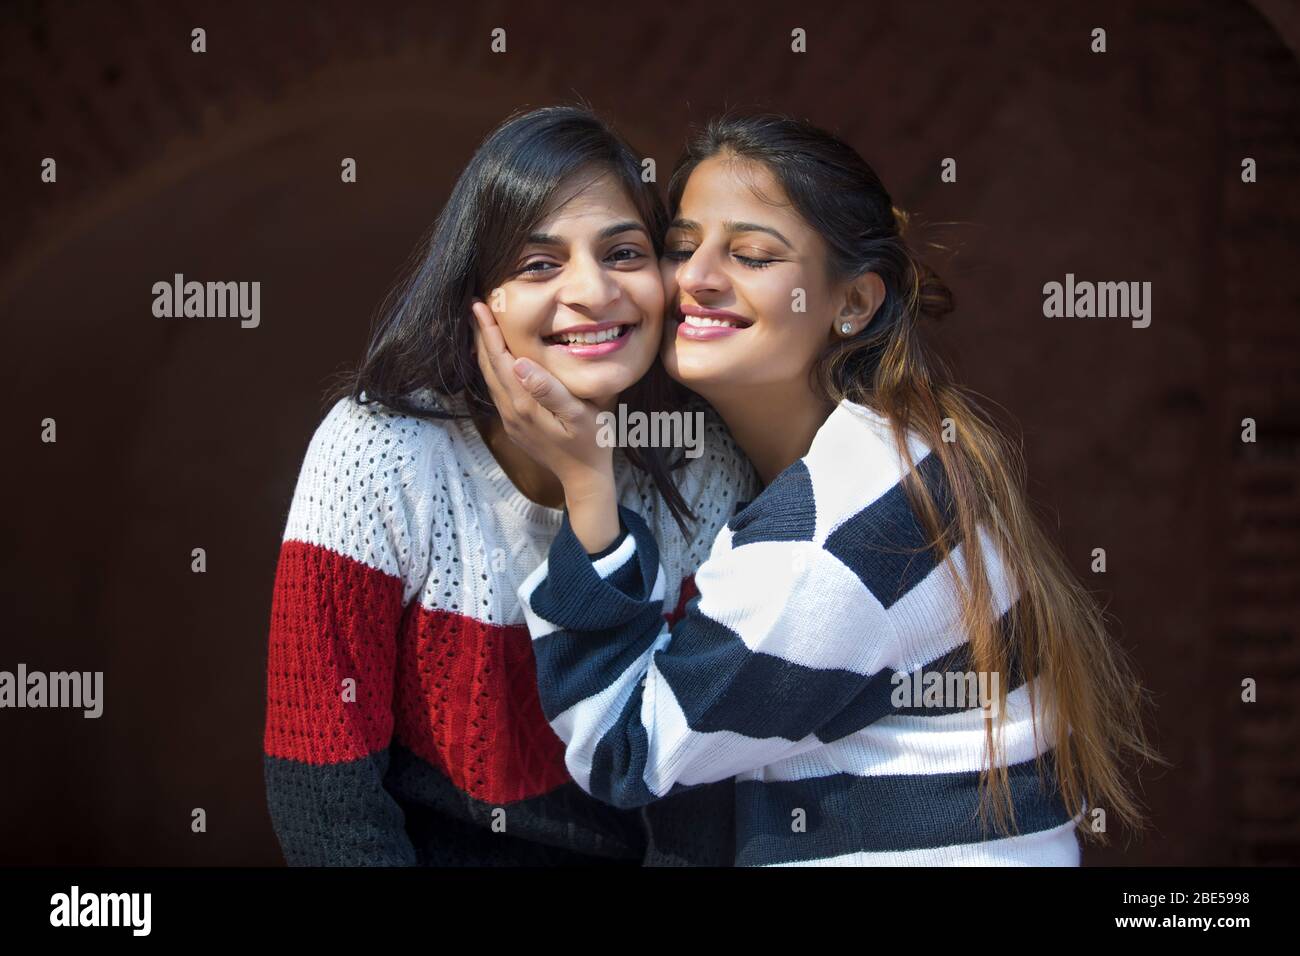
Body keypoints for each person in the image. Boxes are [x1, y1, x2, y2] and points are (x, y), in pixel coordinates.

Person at [474, 113, 1163, 866]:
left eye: (751, 254)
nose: (696, 278)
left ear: (853, 304)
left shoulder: (835, 531)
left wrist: (584, 484)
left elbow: (623, 750)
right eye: (681, 247)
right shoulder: (888, 459)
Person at [262, 105, 757, 866]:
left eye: (624, 252)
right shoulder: (378, 450)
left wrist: (588, 481)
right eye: (538, 265)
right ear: (479, 303)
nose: (593, 292)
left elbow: (700, 793)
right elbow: (323, 782)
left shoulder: (701, 467)